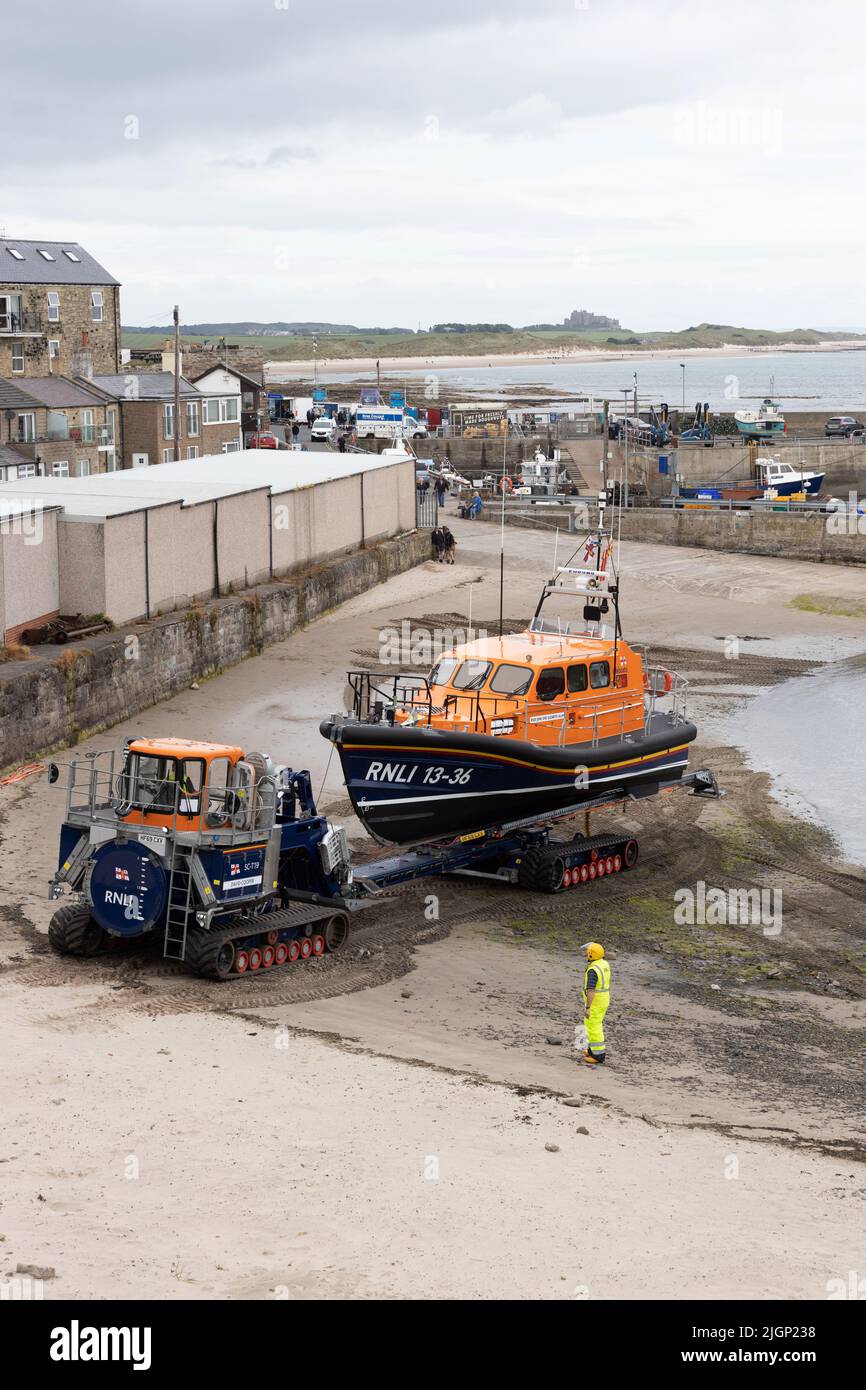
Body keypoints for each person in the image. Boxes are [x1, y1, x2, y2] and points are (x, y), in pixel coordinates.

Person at [581, 942, 611, 1064]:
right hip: (604, 999)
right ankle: (592, 1050)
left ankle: (599, 1056)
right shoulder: (604, 964)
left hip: (596, 1002)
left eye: (588, 952)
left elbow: (591, 990)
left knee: (594, 1027)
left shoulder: (593, 970)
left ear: (592, 955)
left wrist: (588, 1007)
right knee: (590, 1024)